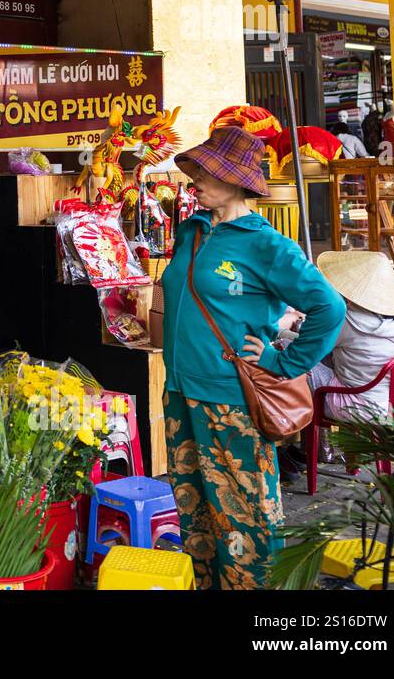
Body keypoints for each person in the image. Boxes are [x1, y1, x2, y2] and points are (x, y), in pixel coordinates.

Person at [161, 126, 345, 590]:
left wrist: (284, 362)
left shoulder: (267, 245)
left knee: (246, 514)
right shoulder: (193, 232)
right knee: (196, 507)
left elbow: (329, 308)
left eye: (208, 170)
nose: (195, 178)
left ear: (236, 180)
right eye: (197, 169)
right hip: (180, 391)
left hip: (231, 397)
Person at [309, 250, 394, 427]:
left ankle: (319, 449)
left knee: (298, 367)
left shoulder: (349, 320)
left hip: (359, 407)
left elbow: (311, 347)